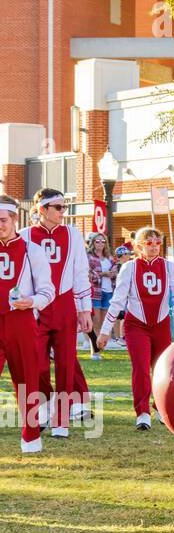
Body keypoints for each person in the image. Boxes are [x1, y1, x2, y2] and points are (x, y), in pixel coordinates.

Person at [97, 227, 174, 431]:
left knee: (163, 368)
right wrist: (104, 331)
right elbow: (118, 300)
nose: (154, 247)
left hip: (161, 323)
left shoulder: (168, 266)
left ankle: (162, 408)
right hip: (136, 324)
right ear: (138, 246)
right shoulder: (129, 268)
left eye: (157, 243)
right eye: (149, 243)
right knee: (141, 368)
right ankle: (143, 412)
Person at [21, 188, 93, 433]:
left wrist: (84, 309)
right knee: (37, 364)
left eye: (65, 207)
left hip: (64, 305)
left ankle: (61, 421)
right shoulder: (25, 235)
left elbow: (80, 272)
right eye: (59, 208)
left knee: (65, 364)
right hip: (36, 307)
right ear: (43, 209)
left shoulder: (73, 234)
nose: (64, 212)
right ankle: (47, 405)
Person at [0, 194, 54, 453]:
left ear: (13, 219)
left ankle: (31, 437)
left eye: (2, 220)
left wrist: (30, 302)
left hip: (21, 322)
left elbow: (47, 291)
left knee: (27, 382)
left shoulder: (32, 250)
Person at [85, 232, 117, 358]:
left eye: (103, 241)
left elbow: (116, 270)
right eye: (97, 241)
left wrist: (113, 273)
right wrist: (102, 274)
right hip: (96, 292)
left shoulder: (109, 257)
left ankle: (100, 347)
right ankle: (94, 351)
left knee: (104, 323)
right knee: (95, 322)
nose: (100, 243)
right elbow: (88, 274)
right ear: (93, 243)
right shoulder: (89, 257)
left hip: (108, 292)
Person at [108, 245, 132, 348]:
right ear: (121, 255)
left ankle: (124, 336)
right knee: (118, 316)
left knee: (125, 316)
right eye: (127, 254)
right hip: (118, 294)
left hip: (128, 295)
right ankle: (118, 337)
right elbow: (114, 278)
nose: (128, 256)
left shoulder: (130, 265)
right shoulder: (116, 266)